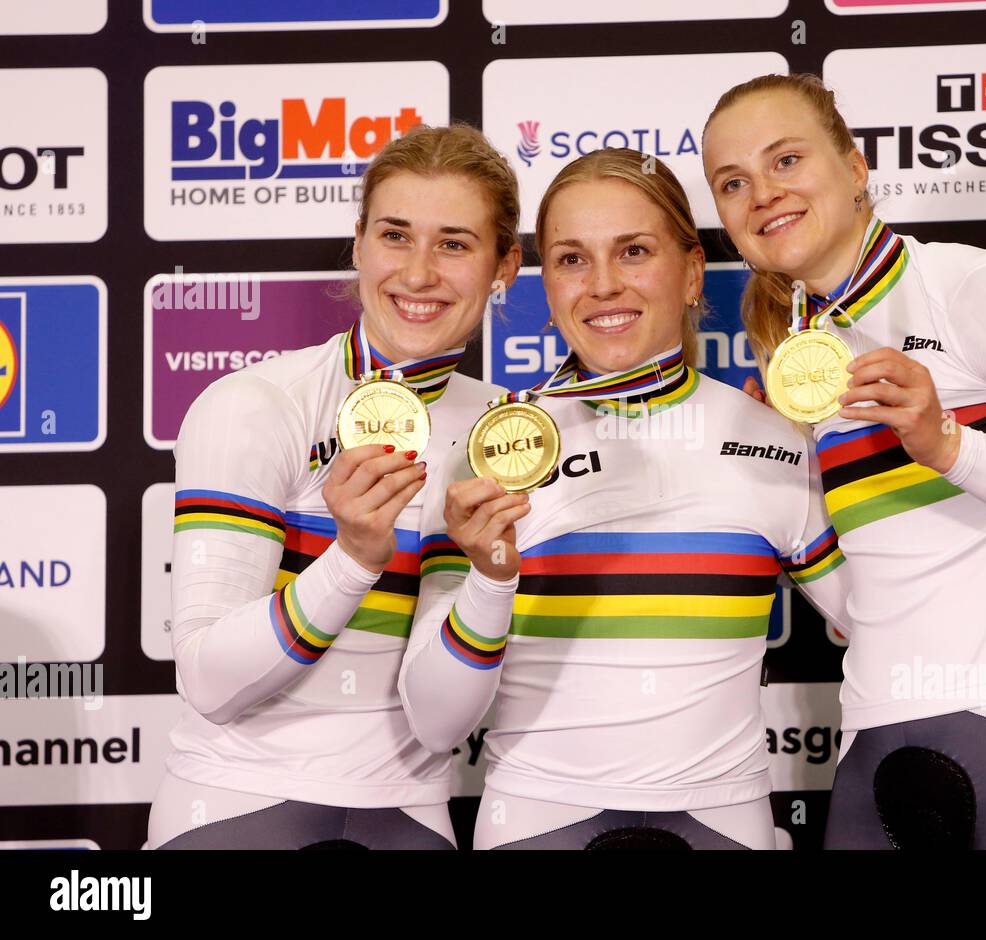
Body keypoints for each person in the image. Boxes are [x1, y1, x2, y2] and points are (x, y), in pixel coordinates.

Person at [701, 73, 986, 848]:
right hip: (872, 761)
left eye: (786, 160)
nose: (762, 193)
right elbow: (866, 606)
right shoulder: (795, 371)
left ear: (855, 168)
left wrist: (948, 444)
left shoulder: (980, 287)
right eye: (733, 182)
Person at [398, 148, 854, 850]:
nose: (603, 285)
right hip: (536, 825)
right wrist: (490, 577)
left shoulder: (775, 440)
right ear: (545, 285)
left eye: (634, 251)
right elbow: (434, 722)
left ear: (693, 270)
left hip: (723, 825)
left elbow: (879, 623)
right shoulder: (494, 450)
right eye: (573, 259)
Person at [147, 124, 522, 849]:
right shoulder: (256, 404)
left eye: (454, 243)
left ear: (503, 264)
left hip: (412, 819)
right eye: (395, 235)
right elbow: (209, 682)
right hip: (232, 806)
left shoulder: (498, 431)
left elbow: (442, 722)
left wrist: (491, 579)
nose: (418, 274)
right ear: (358, 242)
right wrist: (352, 559)